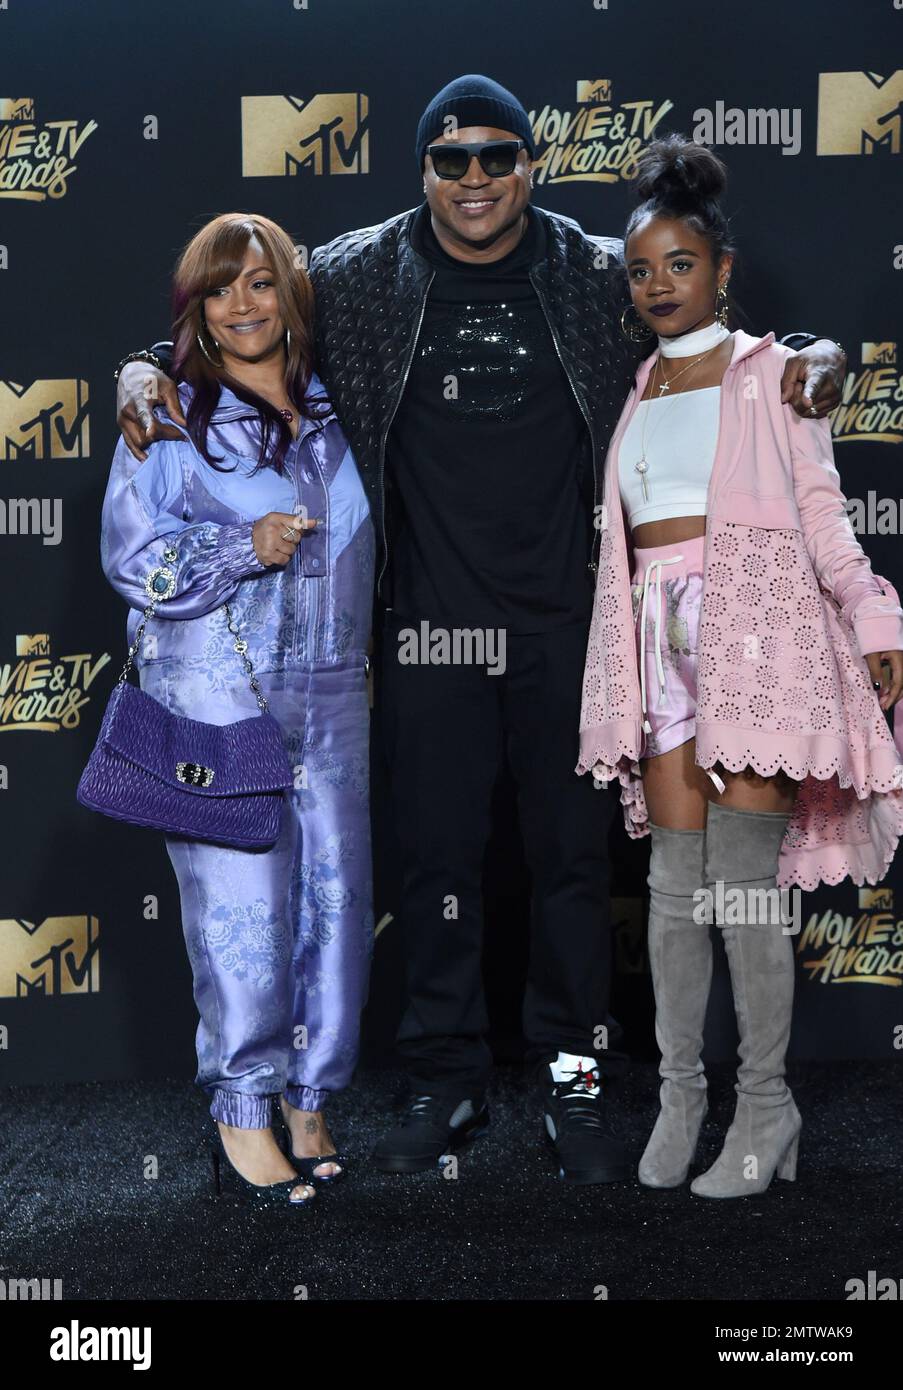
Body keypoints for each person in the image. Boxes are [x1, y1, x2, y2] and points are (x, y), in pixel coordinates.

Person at [112, 75, 847, 1186]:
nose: (473, 180)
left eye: (495, 158)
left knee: (568, 871)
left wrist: (811, 358)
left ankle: (575, 1087)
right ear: (422, 172)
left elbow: (704, 325)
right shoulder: (358, 272)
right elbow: (234, 303)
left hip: (573, 630)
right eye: (450, 161)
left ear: (530, 167)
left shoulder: (596, 272)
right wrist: (141, 365)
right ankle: (443, 1078)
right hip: (424, 636)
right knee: (437, 868)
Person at [577, 135, 903, 1198]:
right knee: (673, 891)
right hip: (655, 648)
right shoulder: (633, 386)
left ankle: (766, 1107)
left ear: (722, 269)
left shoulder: (776, 376)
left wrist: (873, 610)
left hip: (755, 645)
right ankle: (682, 1101)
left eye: (680, 263)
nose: (659, 283)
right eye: (641, 268)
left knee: (745, 890)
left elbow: (821, 512)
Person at [101, 213, 374, 1205]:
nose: (243, 304)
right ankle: (243, 1109)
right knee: (244, 918)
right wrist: (235, 547)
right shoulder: (169, 416)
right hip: (219, 695)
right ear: (196, 309)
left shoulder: (344, 409)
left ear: (292, 293)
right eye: (219, 290)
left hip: (336, 698)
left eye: (261, 282)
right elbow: (133, 557)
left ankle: (310, 1093)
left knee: (335, 912)